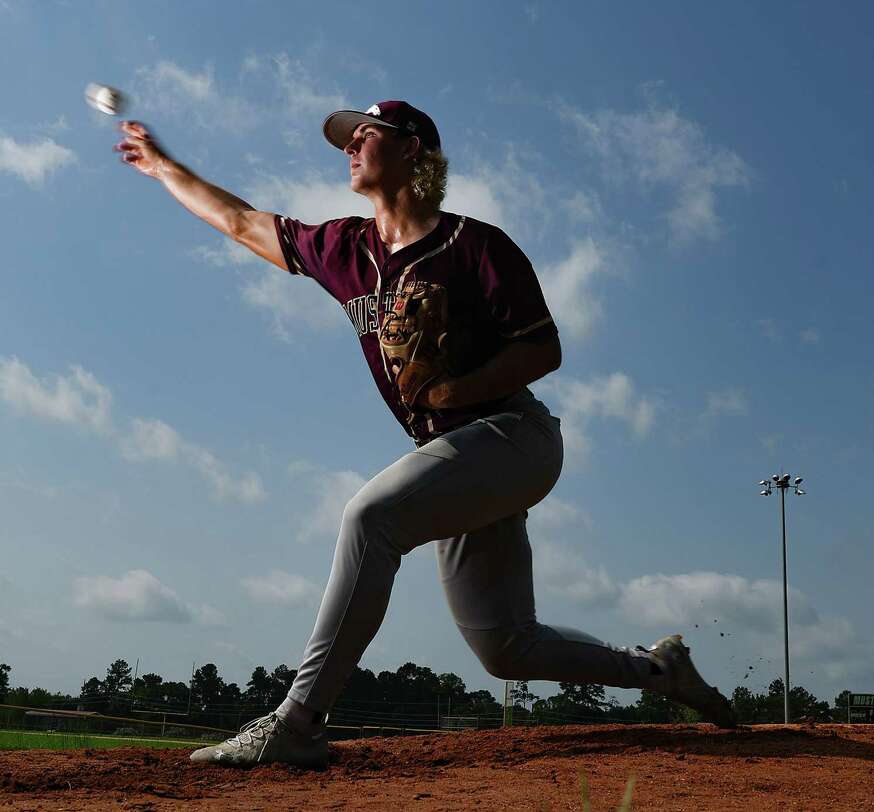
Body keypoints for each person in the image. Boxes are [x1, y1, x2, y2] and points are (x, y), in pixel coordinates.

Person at [116, 99, 735, 768]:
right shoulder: (345, 250)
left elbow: (544, 349)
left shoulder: (475, 246)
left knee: (371, 517)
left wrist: (458, 389)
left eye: (365, 134)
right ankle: (658, 671)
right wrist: (162, 167)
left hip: (513, 438)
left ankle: (298, 723)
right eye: (347, 139)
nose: (350, 145)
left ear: (413, 149)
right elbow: (239, 221)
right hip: (454, 461)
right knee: (506, 648)